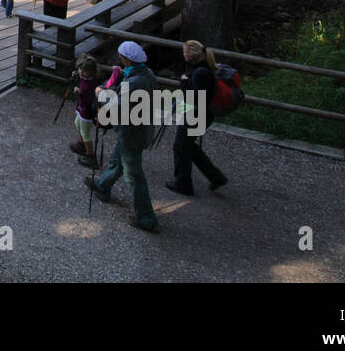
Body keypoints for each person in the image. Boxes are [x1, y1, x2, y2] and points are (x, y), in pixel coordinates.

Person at [85, 41, 159, 232]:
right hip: (138, 129)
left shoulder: (133, 82)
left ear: (127, 59)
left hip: (132, 133)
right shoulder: (147, 75)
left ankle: (147, 218)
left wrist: (101, 93)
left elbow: (116, 104)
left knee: (134, 176)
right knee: (117, 160)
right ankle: (103, 186)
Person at [167, 39, 228, 196]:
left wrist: (184, 83)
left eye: (184, 53)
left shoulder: (200, 73)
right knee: (188, 147)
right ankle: (216, 177)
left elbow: (195, 97)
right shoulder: (204, 70)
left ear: (189, 56)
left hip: (196, 115)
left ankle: (183, 184)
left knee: (180, 146)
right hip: (202, 115)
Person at [70, 56, 100, 167]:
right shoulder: (86, 79)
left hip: (86, 113)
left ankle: (90, 156)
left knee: (85, 133)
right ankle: (81, 144)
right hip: (81, 110)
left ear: (91, 72)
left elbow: (88, 101)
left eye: (84, 70)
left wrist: (79, 94)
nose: (81, 72)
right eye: (80, 69)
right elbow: (81, 79)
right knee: (77, 124)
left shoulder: (90, 85)